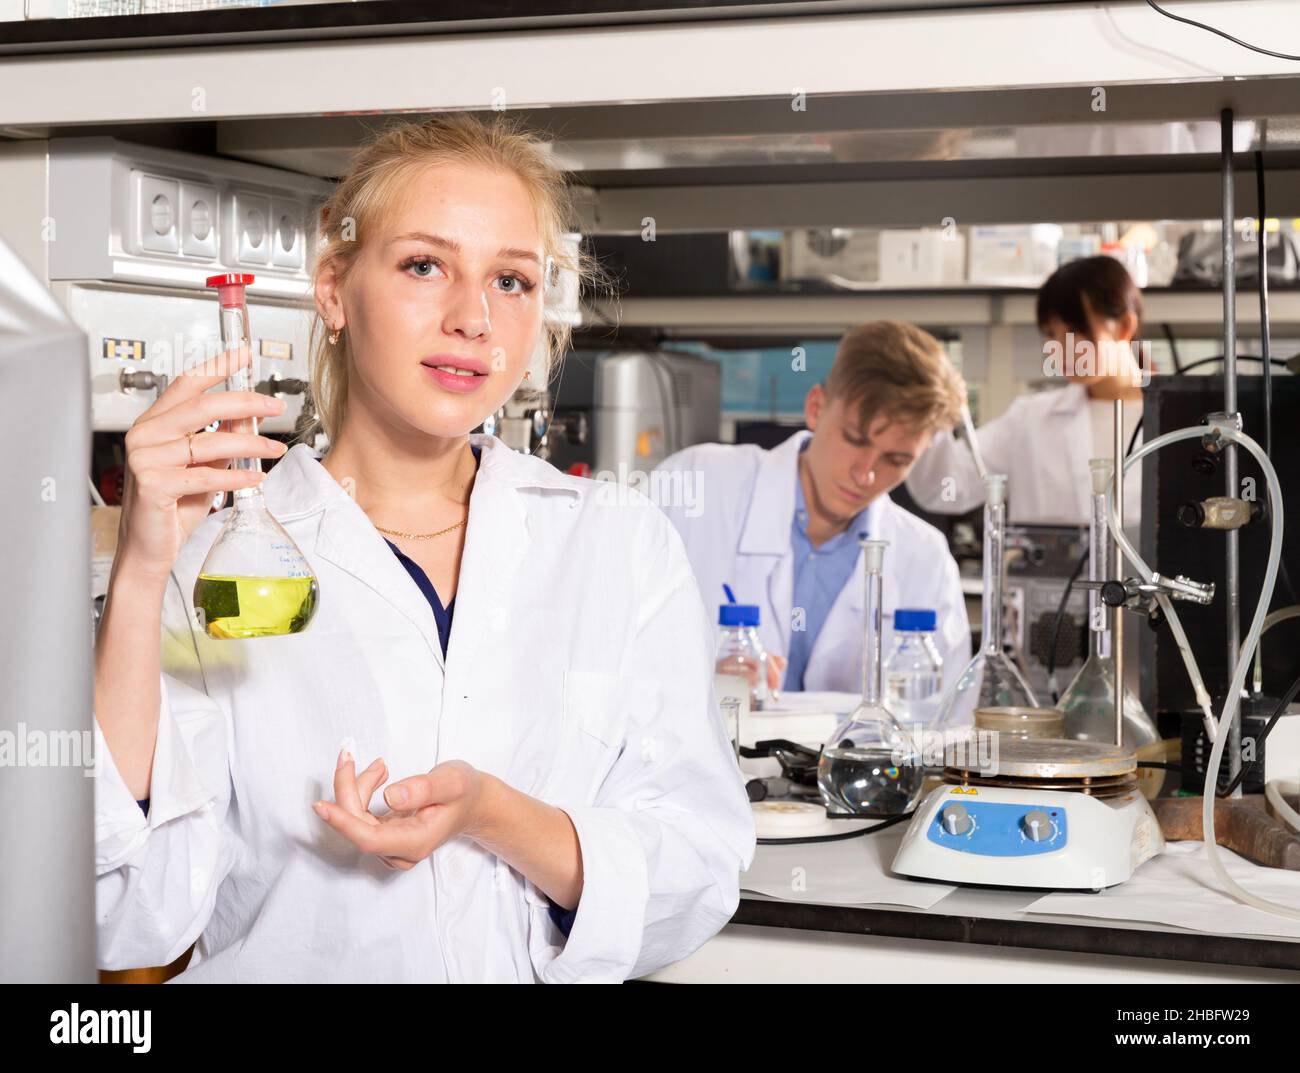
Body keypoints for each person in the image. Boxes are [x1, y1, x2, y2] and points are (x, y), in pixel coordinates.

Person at [92, 114, 755, 984]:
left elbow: (697, 871)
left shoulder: (618, 544)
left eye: (511, 280)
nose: (472, 318)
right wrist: (143, 573)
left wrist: (494, 814)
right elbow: (122, 916)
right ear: (334, 287)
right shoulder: (218, 564)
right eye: (424, 265)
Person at [652, 320, 971, 699]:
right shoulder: (694, 485)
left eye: (897, 459)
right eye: (854, 439)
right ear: (816, 408)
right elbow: (606, 648)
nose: (865, 473)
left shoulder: (926, 561)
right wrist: (700, 685)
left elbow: (946, 728)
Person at [905, 255, 1146, 527]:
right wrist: (933, 408)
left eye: (1073, 330)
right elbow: (944, 489)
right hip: (1046, 573)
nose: (1058, 348)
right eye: (1051, 334)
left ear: (1125, 326)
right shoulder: (1030, 418)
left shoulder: (1180, 420)